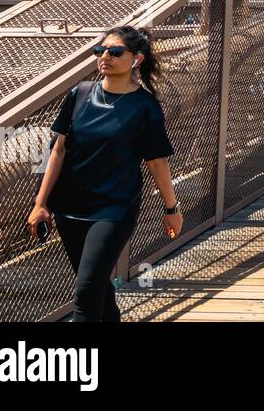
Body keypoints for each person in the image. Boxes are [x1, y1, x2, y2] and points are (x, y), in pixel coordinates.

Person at [27, 26, 178, 322]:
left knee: (85, 294)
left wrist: (171, 208)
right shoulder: (80, 94)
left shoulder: (145, 106)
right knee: (96, 288)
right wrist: (40, 203)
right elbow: (58, 151)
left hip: (114, 208)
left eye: (115, 51)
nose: (105, 56)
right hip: (69, 208)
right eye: (101, 51)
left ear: (137, 59)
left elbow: (157, 163)